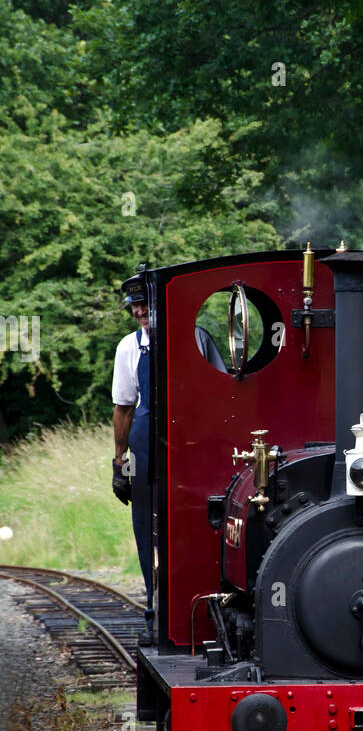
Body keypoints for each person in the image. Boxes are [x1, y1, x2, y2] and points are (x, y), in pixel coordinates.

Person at [111, 267, 226, 643]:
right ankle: (154, 613)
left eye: (144, 304)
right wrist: (119, 462)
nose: (139, 312)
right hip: (147, 448)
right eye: (134, 306)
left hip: (194, 444)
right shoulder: (129, 347)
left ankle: (202, 611)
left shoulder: (196, 337)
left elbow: (220, 392)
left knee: (199, 525)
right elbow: (124, 407)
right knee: (147, 531)